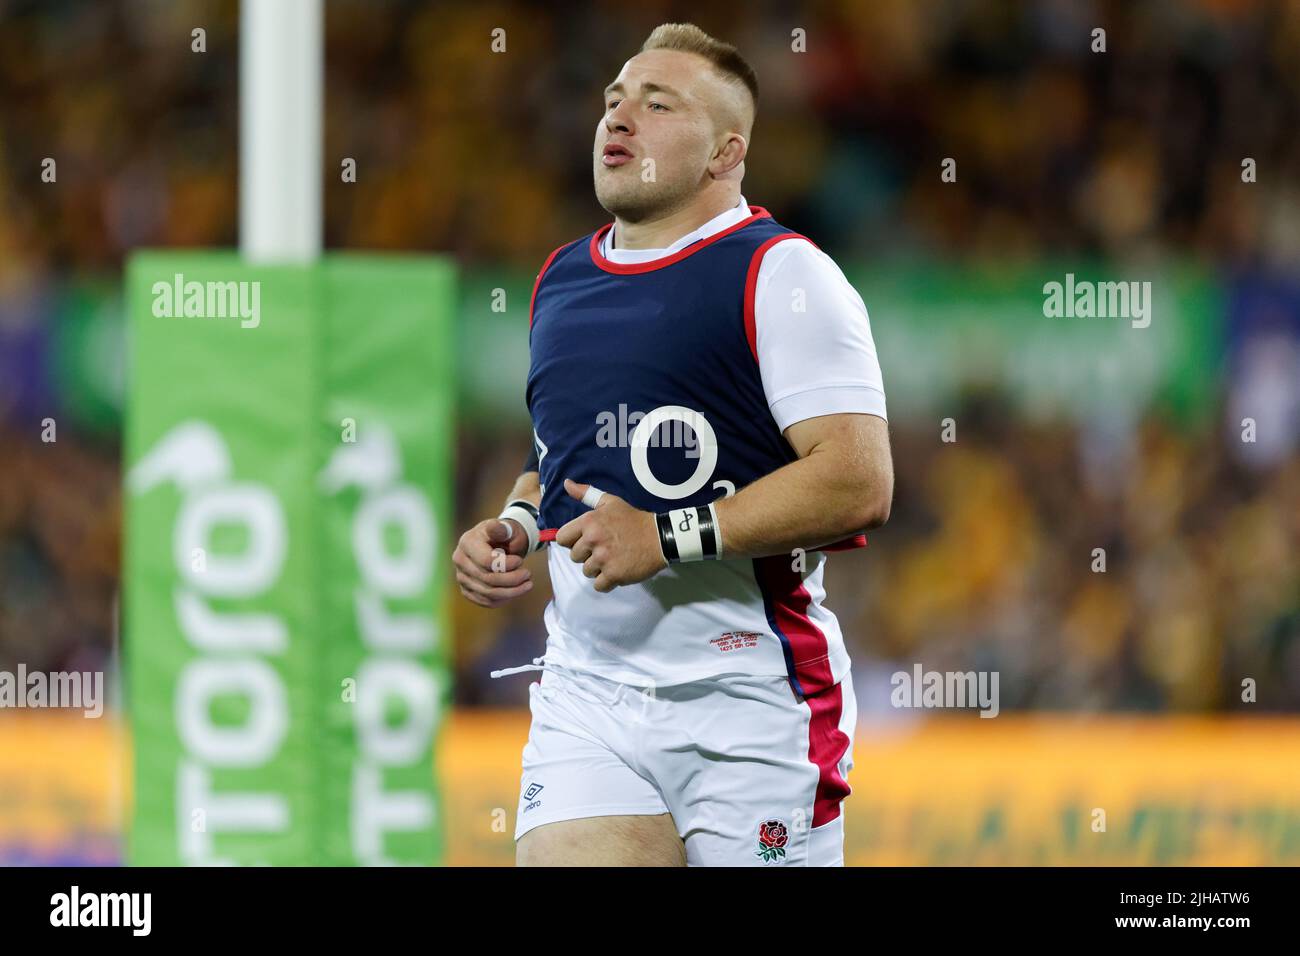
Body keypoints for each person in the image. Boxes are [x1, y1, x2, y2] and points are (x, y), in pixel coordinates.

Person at [452, 22, 893, 866]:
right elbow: (561, 455)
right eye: (614, 100)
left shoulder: (784, 274)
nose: (619, 118)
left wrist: (663, 536)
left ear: (727, 152)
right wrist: (514, 520)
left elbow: (857, 481)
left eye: (657, 104)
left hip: (750, 701)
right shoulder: (561, 279)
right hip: (590, 693)